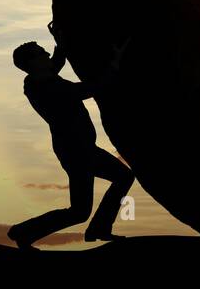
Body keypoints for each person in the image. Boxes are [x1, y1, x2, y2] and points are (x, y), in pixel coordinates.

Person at [7, 22, 134, 249]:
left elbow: (55, 63)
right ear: (32, 63)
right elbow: (86, 90)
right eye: (40, 53)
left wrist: (60, 43)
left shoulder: (37, 80)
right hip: (78, 150)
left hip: (75, 149)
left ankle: (24, 232)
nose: (46, 53)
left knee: (79, 210)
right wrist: (114, 66)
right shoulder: (46, 88)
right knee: (121, 178)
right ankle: (97, 228)